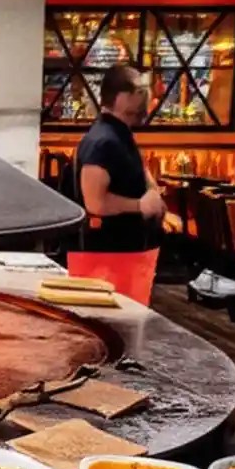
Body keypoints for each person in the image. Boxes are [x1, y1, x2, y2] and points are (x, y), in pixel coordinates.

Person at [69, 65, 166, 305]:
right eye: (140, 90)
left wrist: (151, 190)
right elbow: (95, 202)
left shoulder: (118, 135)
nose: (146, 96)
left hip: (123, 254)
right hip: (107, 258)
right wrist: (140, 205)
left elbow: (138, 173)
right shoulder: (103, 141)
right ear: (121, 97)